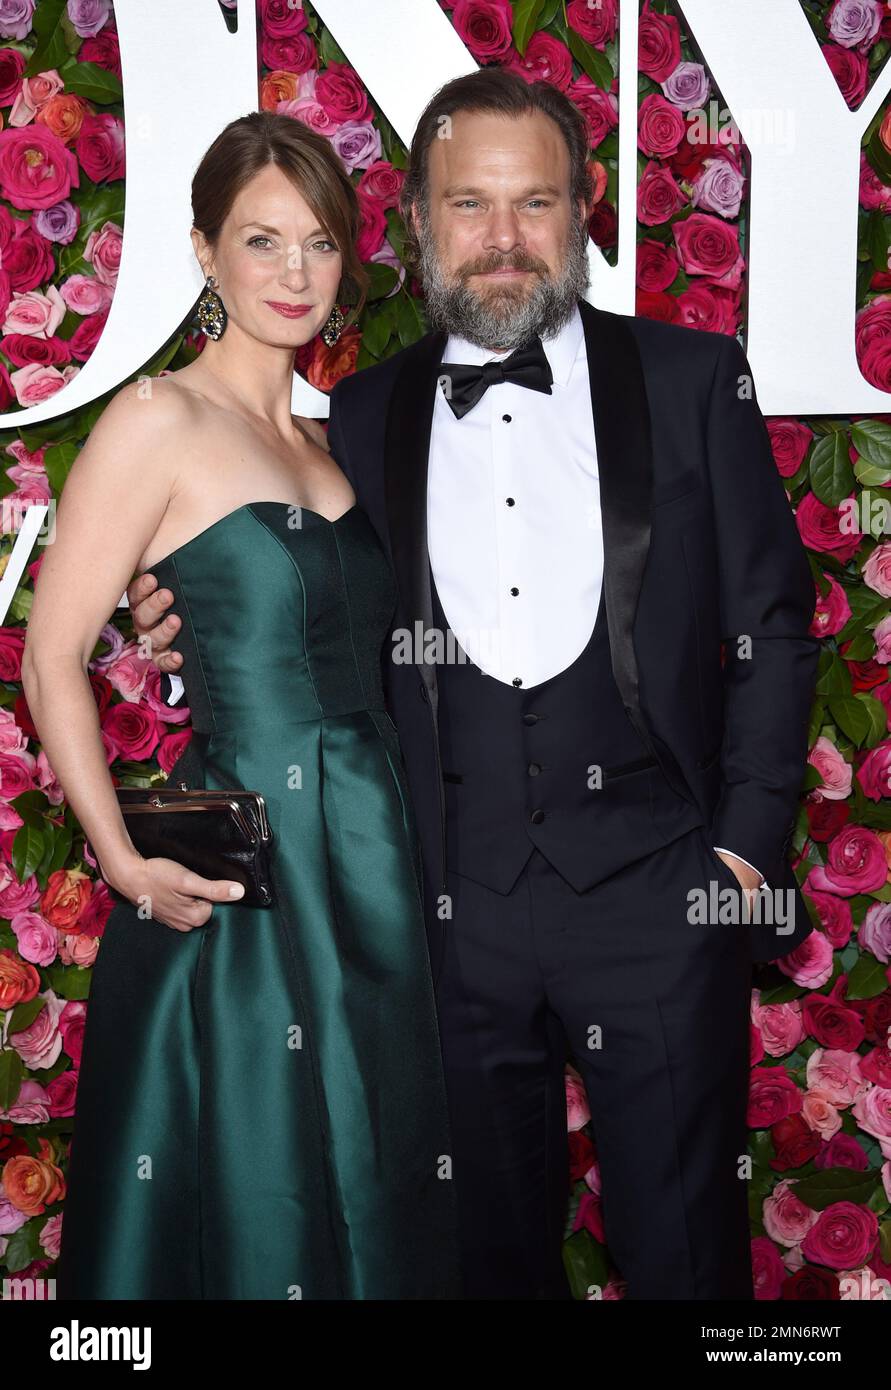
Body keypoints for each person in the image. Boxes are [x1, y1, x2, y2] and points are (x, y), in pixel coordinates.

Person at [133, 72, 820, 1300]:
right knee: (476, 1266)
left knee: (689, 1265)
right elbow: (293, 593)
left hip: (659, 902)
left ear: (582, 212)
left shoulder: (690, 377)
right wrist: (180, 616)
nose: (502, 238)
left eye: (534, 202)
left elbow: (772, 622)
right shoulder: (360, 413)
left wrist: (748, 857)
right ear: (418, 222)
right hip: (444, 916)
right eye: (469, 204)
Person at [22, 110, 461, 1301]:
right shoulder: (158, 420)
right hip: (246, 867)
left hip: (373, 852)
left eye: (318, 243)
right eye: (261, 241)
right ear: (207, 249)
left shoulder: (338, 439)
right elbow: (50, 654)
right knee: (260, 1171)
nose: (294, 273)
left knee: (373, 1157)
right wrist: (118, 860)